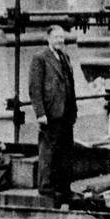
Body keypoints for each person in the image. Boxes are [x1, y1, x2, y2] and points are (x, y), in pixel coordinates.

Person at [28, 23, 77, 205]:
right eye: (56, 37)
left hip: (66, 114)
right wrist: (40, 112)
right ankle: (46, 188)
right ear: (48, 38)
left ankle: (64, 188)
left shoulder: (65, 57)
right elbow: (35, 87)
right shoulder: (40, 58)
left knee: (65, 153)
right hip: (51, 113)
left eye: (62, 37)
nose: (60, 40)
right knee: (48, 152)